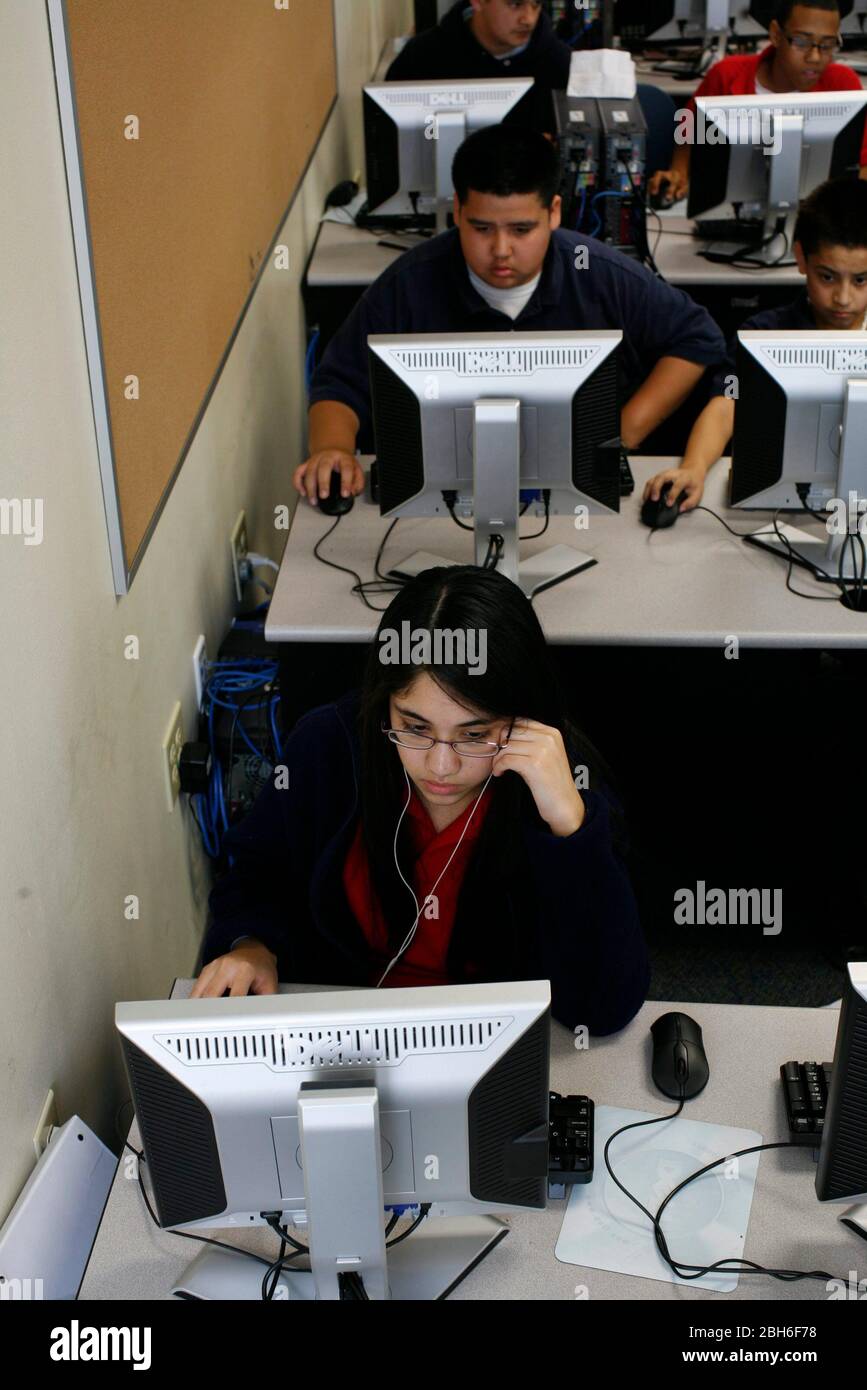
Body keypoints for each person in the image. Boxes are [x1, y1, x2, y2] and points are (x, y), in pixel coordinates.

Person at [193, 567, 651, 1035]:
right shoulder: (329, 746)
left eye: (474, 735)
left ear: (521, 717)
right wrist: (251, 944)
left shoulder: (559, 782)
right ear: (384, 700)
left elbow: (603, 1008)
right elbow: (257, 876)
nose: (440, 767)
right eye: (415, 728)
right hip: (346, 1033)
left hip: (491, 1038)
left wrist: (570, 828)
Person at [295, 125, 726, 506]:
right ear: (458, 212)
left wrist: (623, 433)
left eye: (522, 230)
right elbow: (339, 383)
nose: (501, 250)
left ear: (554, 212)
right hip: (444, 500)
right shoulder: (409, 283)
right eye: (481, 228)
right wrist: (333, 449)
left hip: (580, 497)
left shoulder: (598, 272)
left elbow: (697, 340)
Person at [644, 177, 867, 513]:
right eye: (827, 277)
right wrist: (694, 467)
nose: (843, 297)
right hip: (783, 508)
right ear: (802, 259)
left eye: (861, 280)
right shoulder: (765, 333)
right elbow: (725, 407)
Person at [648, 0, 867, 205]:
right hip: (730, 216)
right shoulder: (727, 75)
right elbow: (688, 134)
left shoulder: (842, 83)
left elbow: (863, 164)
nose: (815, 57)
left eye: (827, 45)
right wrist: (678, 172)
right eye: (801, 42)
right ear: (776, 34)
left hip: (817, 222)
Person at [386, 0, 571, 131]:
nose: (528, 19)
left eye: (536, 4)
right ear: (478, 2)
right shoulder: (422, 56)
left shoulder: (559, 64)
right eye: (515, 4)